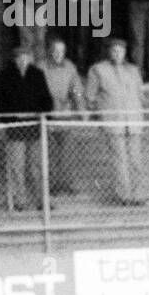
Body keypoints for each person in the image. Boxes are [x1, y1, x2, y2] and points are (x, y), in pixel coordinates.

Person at [85, 37, 145, 206]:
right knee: (120, 160)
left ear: (125, 52)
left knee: (135, 160)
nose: (117, 54)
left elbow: (140, 93)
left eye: (121, 50)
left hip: (133, 121)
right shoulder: (98, 70)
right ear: (109, 52)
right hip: (113, 121)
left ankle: (138, 195)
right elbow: (90, 96)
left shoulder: (133, 70)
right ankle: (124, 196)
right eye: (114, 50)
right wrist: (100, 112)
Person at [0, 46, 53, 210]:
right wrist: (9, 119)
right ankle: (19, 200)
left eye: (26, 57)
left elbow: (46, 98)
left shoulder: (37, 74)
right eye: (19, 57)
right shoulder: (4, 76)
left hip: (34, 126)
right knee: (16, 166)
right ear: (14, 59)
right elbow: (1, 101)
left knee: (37, 166)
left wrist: (44, 116)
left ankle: (42, 200)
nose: (22, 60)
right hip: (16, 128)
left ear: (30, 58)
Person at [40, 36, 86, 196]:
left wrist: (81, 111)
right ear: (50, 51)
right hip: (48, 116)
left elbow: (77, 90)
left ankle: (68, 184)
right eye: (55, 51)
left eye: (62, 51)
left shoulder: (70, 67)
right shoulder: (41, 67)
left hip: (65, 114)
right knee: (50, 153)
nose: (58, 54)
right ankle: (52, 186)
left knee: (68, 152)